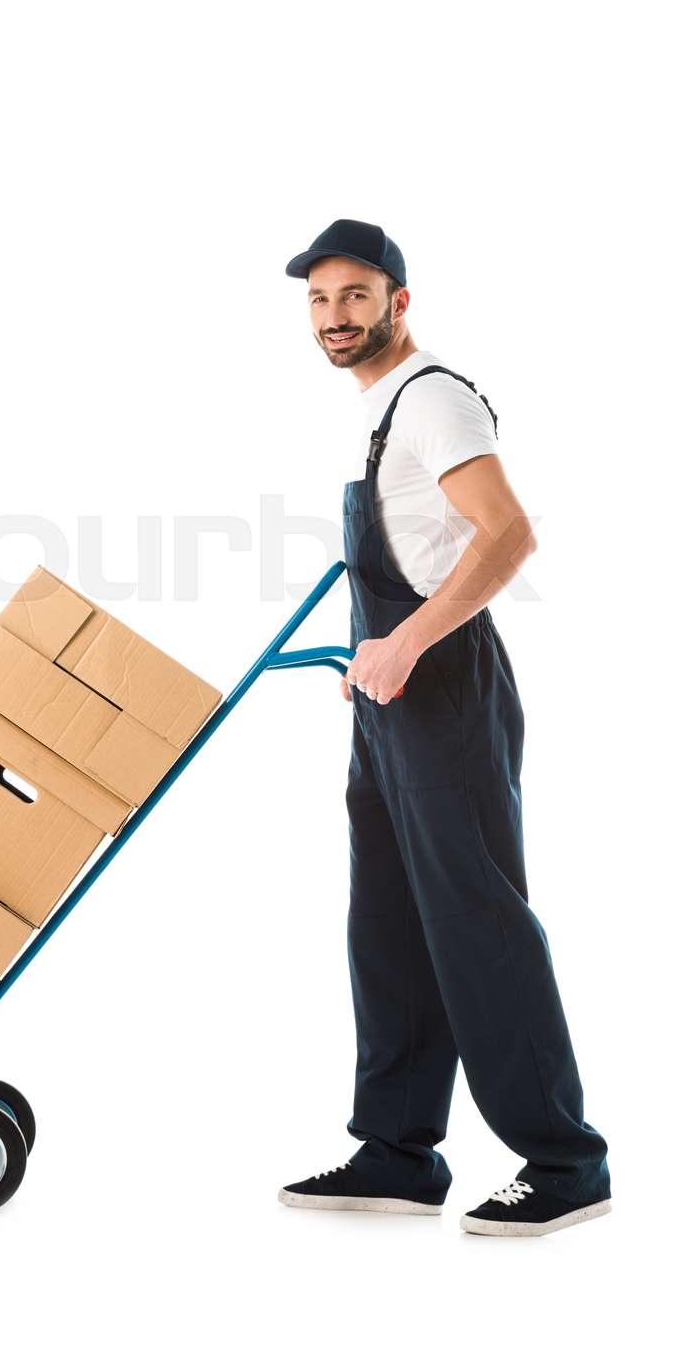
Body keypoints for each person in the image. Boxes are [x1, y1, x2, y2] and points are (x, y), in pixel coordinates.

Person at [277, 218, 611, 1238]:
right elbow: (419, 547)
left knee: (477, 919)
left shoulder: (433, 400)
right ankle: (398, 1150)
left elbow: (507, 534)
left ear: (399, 301)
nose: (335, 316)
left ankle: (565, 1162)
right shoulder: (379, 409)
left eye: (355, 294)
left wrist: (407, 643)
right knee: (387, 919)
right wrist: (370, 653)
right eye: (320, 299)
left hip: (446, 688)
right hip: (390, 700)